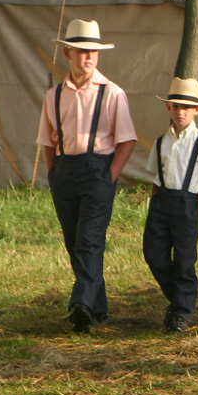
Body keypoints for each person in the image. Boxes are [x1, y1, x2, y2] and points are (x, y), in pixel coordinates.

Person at [37, 19, 137, 334]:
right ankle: (98, 309)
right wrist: (53, 175)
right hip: (65, 172)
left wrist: (109, 176)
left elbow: (127, 140)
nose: (88, 57)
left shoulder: (112, 93)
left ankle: (80, 305)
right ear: (67, 54)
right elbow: (47, 141)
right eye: (81, 51)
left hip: (98, 170)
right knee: (74, 242)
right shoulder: (54, 95)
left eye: (92, 51)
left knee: (89, 241)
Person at [143, 77, 198, 332]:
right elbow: (155, 176)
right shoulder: (160, 142)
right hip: (161, 203)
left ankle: (181, 314)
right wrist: (154, 204)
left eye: (186, 107)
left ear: (197, 110)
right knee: (154, 255)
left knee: (185, 261)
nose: (180, 111)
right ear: (168, 108)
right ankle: (179, 300)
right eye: (175, 106)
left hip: (187, 204)